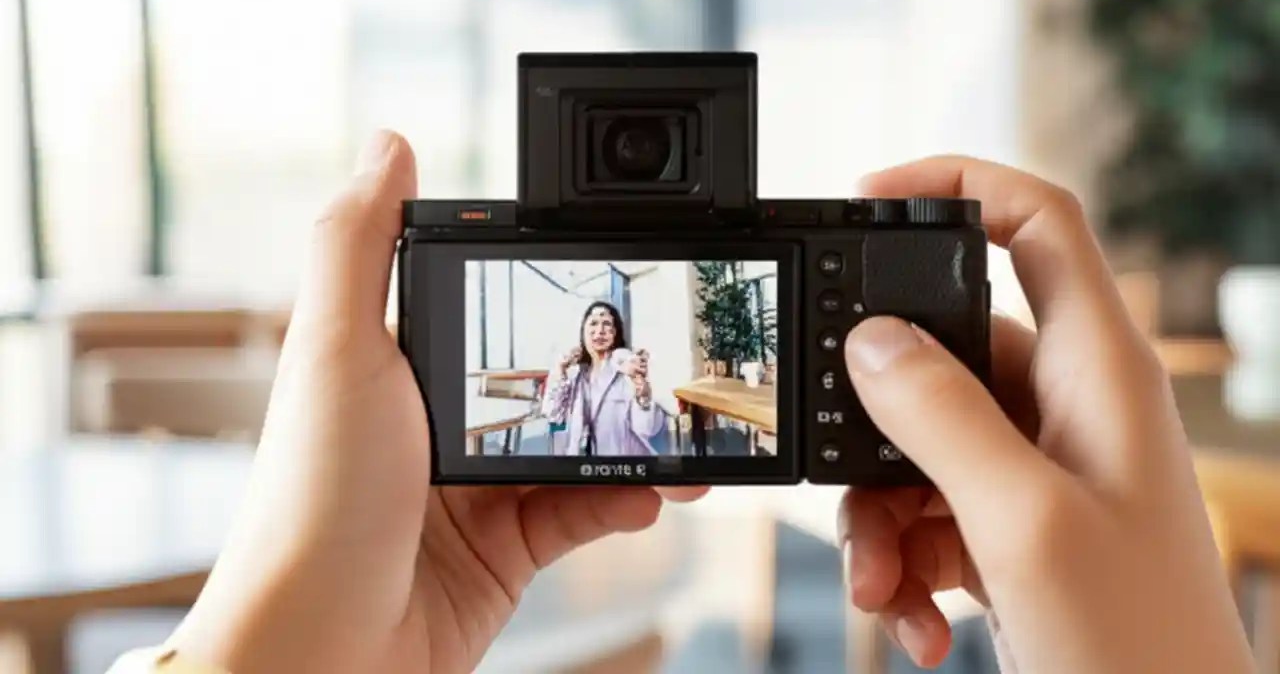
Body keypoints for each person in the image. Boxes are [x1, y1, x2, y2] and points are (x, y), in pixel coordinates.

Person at [110, 132, 1252, 674]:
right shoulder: (569, 367)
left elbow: (655, 445)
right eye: (597, 324)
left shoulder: (639, 373)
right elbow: (564, 435)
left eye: (610, 325)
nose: (602, 331)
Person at [540, 301, 661, 456]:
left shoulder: (626, 367)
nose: (600, 331)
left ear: (615, 332)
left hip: (623, 467)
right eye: (594, 324)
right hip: (581, 467)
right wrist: (561, 370)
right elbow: (552, 415)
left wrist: (643, 396)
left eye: (606, 324)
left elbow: (648, 429)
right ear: (583, 331)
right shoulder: (575, 374)